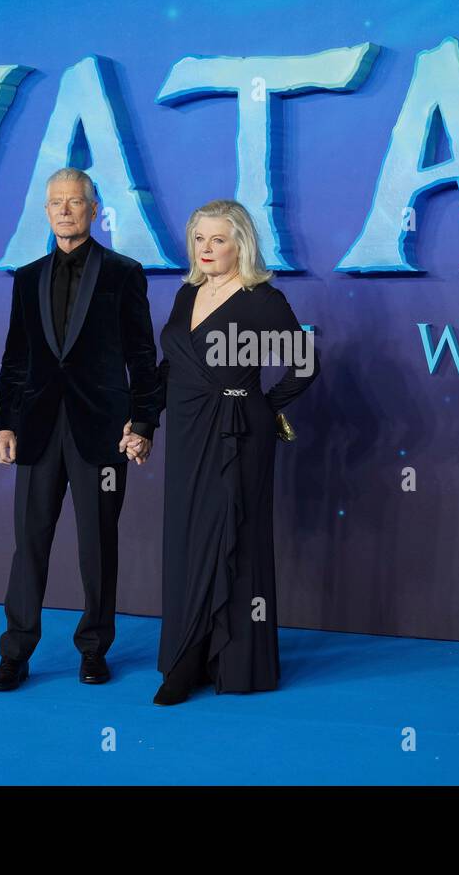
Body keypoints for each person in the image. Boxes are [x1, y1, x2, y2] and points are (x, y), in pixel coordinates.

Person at [0, 167, 159, 691]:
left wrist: (146, 421)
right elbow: (16, 359)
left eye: (75, 201)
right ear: (46, 211)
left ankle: (93, 650)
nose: (65, 209)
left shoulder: (124, 273)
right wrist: (3, 424)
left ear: (93, 209)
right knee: (28, 545)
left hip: (101, 431)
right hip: (38, 432)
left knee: (97, 546)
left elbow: (143, 357)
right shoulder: (27, 277)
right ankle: (15, 652)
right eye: (56, 202)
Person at [142, 199, 319, 705]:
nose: (206, 249)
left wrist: (262, 405)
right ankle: (187, 657)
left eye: (218, 239)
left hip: (238, 436)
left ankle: (234, 660)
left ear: (241, 243)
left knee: (233, 541)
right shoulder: (186, 294)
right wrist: (142, 422)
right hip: (188, 435)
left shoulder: (264, 300)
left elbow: (304, 365)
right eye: (199, 239)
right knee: (186, 541)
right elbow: (168, 368)